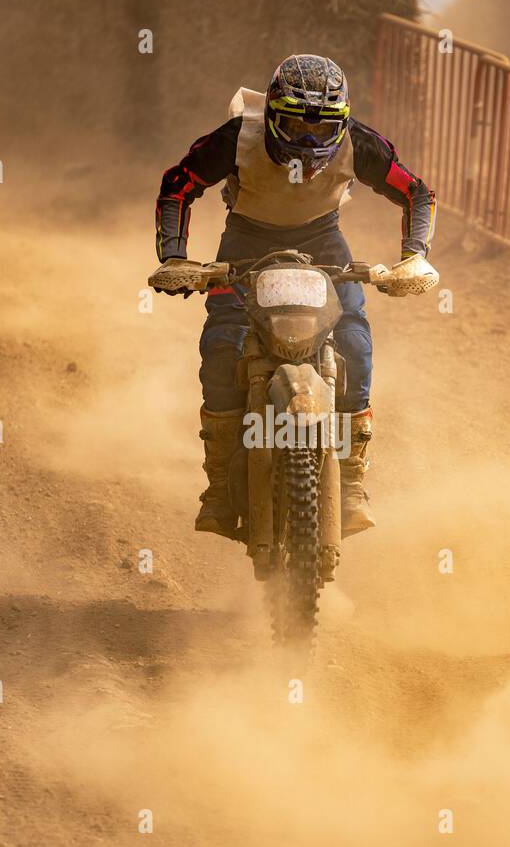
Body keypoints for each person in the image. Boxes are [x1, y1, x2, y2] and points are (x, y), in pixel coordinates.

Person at [150, 54, 437, 539]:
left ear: (342, 124)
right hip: (243, 243)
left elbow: (417, 193)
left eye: (323, 131)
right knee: (222, 346)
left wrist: (415, 256)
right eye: (296, 127)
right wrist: (175, 257)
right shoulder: (238, 137)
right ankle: (218, 487)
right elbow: (178, 184)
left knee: (355, 347)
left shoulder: (359, 144)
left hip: (323, 241)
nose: (309, 142)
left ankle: (351, 480)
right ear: (273, 116)